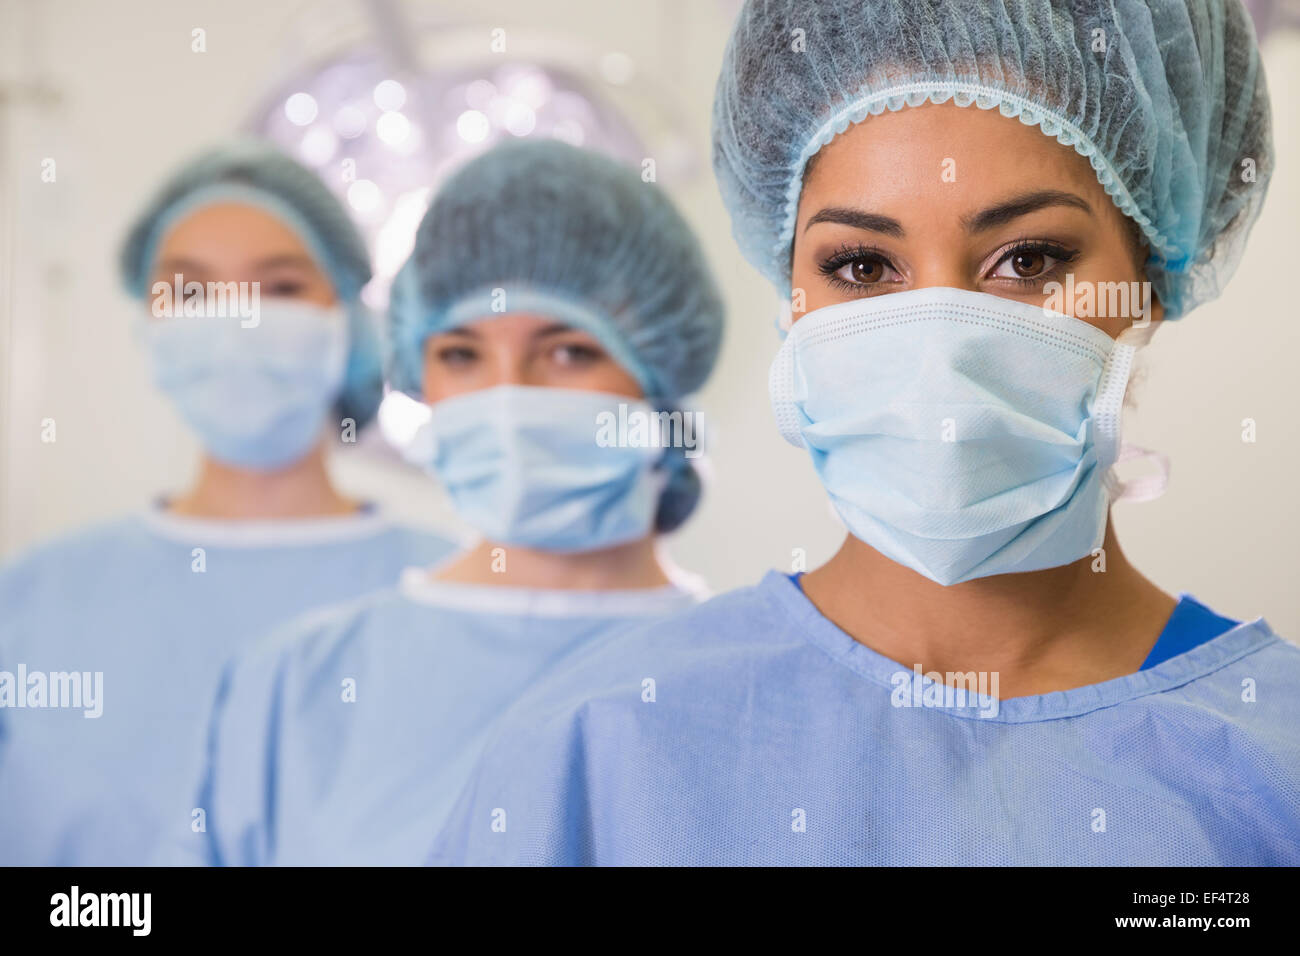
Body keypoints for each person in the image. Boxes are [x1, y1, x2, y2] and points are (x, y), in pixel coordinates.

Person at [431, 0, 1300, 865]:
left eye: (1027, 259)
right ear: (790, 297)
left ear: (1153, 276)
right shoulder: (599, 747)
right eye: (862, 266)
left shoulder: (1272, 762)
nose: (937, 343)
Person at [166, 139, 724, 865]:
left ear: (659, 374)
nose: (506, 396)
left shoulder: (749, 684)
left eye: (567, 352)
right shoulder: (297, 682)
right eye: (461, 355)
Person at [0, 140, 457, 865]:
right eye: (190, 291)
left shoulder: (456, 598)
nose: (234, 319)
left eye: (278, 287)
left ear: (346, 315)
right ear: (148, 322)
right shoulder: (28, 604)